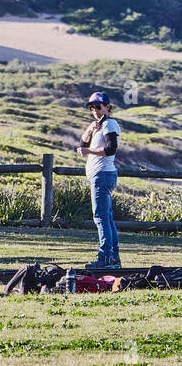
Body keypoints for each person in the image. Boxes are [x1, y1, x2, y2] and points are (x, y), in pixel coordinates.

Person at [78, 90, 121, 269]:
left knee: (101, 217)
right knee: (107, 218)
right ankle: (113, 257)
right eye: (92, 107)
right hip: (101, 175)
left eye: (98, 106)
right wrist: (90, 128)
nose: (95, 110)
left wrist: (89, 152)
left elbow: (111, 149)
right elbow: (82, 145)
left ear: (107, 107)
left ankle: (105, 257)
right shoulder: (99, 125)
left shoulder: (109, 124)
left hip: (102, 175)